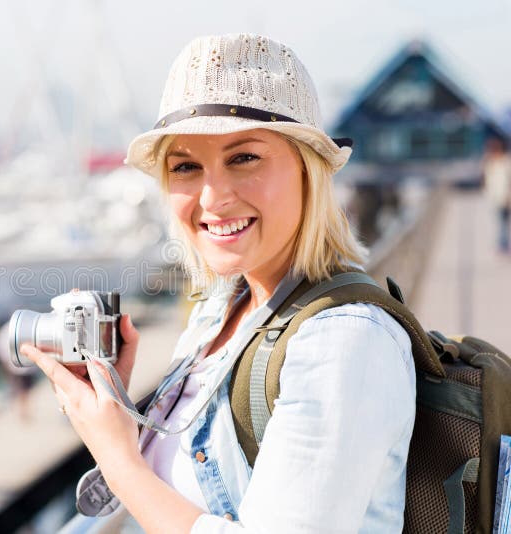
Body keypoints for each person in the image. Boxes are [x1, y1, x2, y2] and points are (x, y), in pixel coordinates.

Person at [22, 34, 416, 533]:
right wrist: (116, 404)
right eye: (186, 166)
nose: (212, 197)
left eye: (244, 158)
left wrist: (116, 457)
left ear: (307, 169)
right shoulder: (225, 310)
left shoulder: (343, 342)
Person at [483, 137, 511, 254]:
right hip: (495, 197)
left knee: (503, 222)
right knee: (500, 222)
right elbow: (487, 180)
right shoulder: (490, 162)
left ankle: (503, 245)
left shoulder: (506, 162)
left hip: (505, 197)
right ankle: (502, 244)